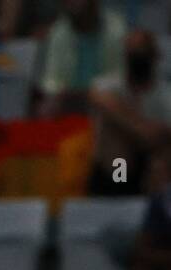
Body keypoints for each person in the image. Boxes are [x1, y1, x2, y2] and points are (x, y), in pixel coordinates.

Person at [88, 31, 171, 196]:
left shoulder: (165, 93)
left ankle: (155, 208)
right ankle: (120, 196)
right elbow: (98, 98)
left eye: (142, 51)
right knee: (117, 144)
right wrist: (140, 129)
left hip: (151, 166)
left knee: (164, 156)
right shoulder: (108, 84)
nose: (137, 57)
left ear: (155, 56)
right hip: (120, 170)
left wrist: (144, 134)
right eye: (132, 52)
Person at [38, 0, 126, 116]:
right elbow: (52, 78)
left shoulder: (116, 29)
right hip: (70, 104)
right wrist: (55, 94)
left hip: (107, 103)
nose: (72, 3)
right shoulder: (59, 31)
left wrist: (96, 90)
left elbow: (121, 76)